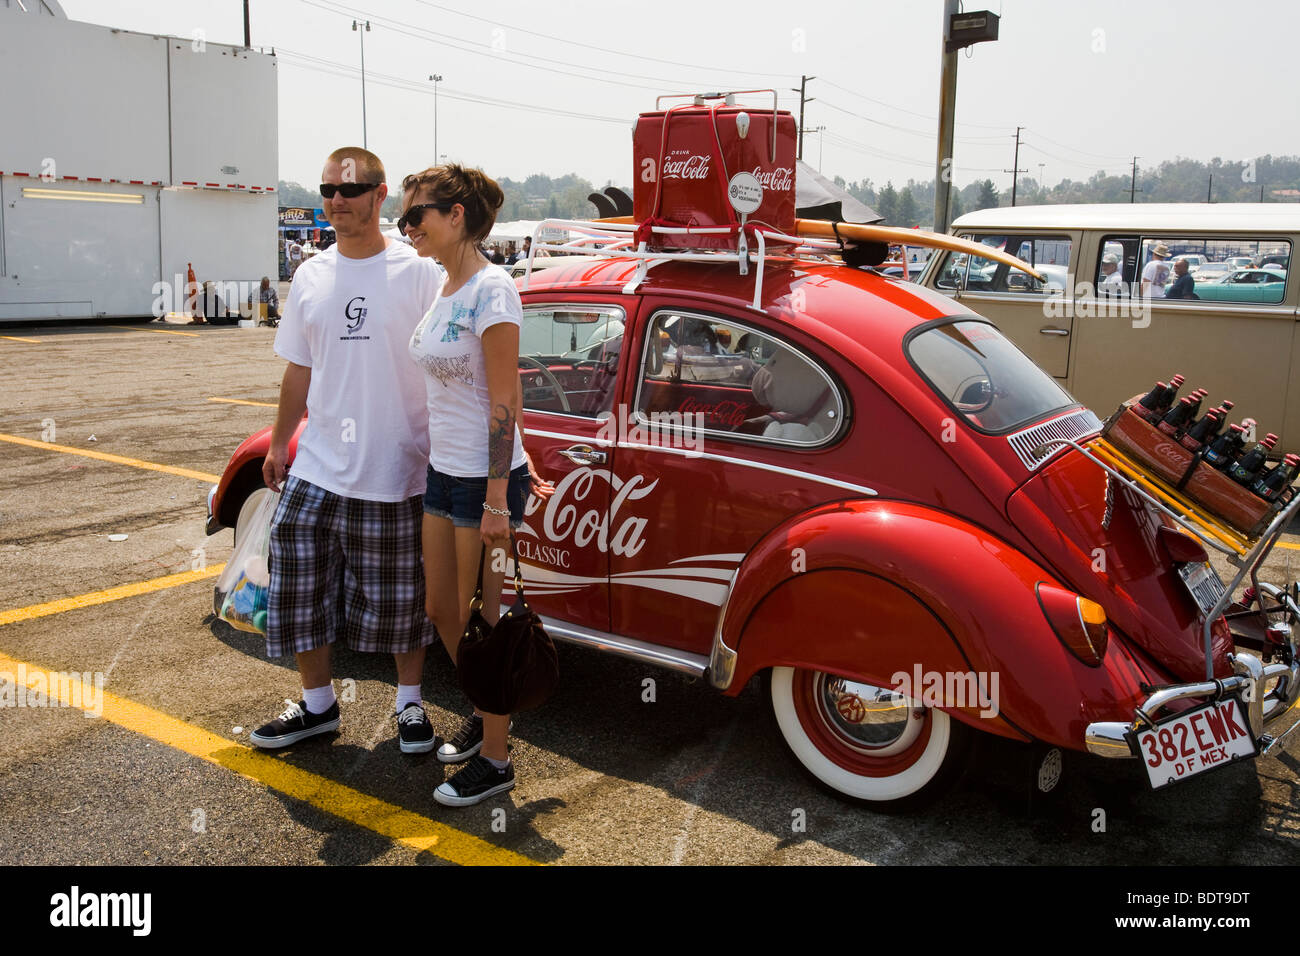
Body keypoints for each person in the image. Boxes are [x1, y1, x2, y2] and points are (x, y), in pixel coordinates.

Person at [250, 146, 447, 757]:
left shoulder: (420, 273)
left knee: (402, 600)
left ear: (380, 195)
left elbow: (453, 362)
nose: (338, 200)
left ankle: (409, 707)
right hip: (317, 467)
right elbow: (297, 370)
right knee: (298, 589)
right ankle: (317, 708)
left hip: (396, 469)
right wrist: (281, 441)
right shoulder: (311, 274)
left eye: (352, 190)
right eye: (329, 190)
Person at [400, 163, 548, 806]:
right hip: (445, 473)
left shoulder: (494, 289)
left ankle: (495, 756)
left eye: (417, 215)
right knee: (442, 612)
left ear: (455, 216)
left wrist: (498, 497)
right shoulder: (444, 286)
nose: (408, 227)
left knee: (485, 619)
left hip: (483, 484)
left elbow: (504, 396)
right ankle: (487, 714)